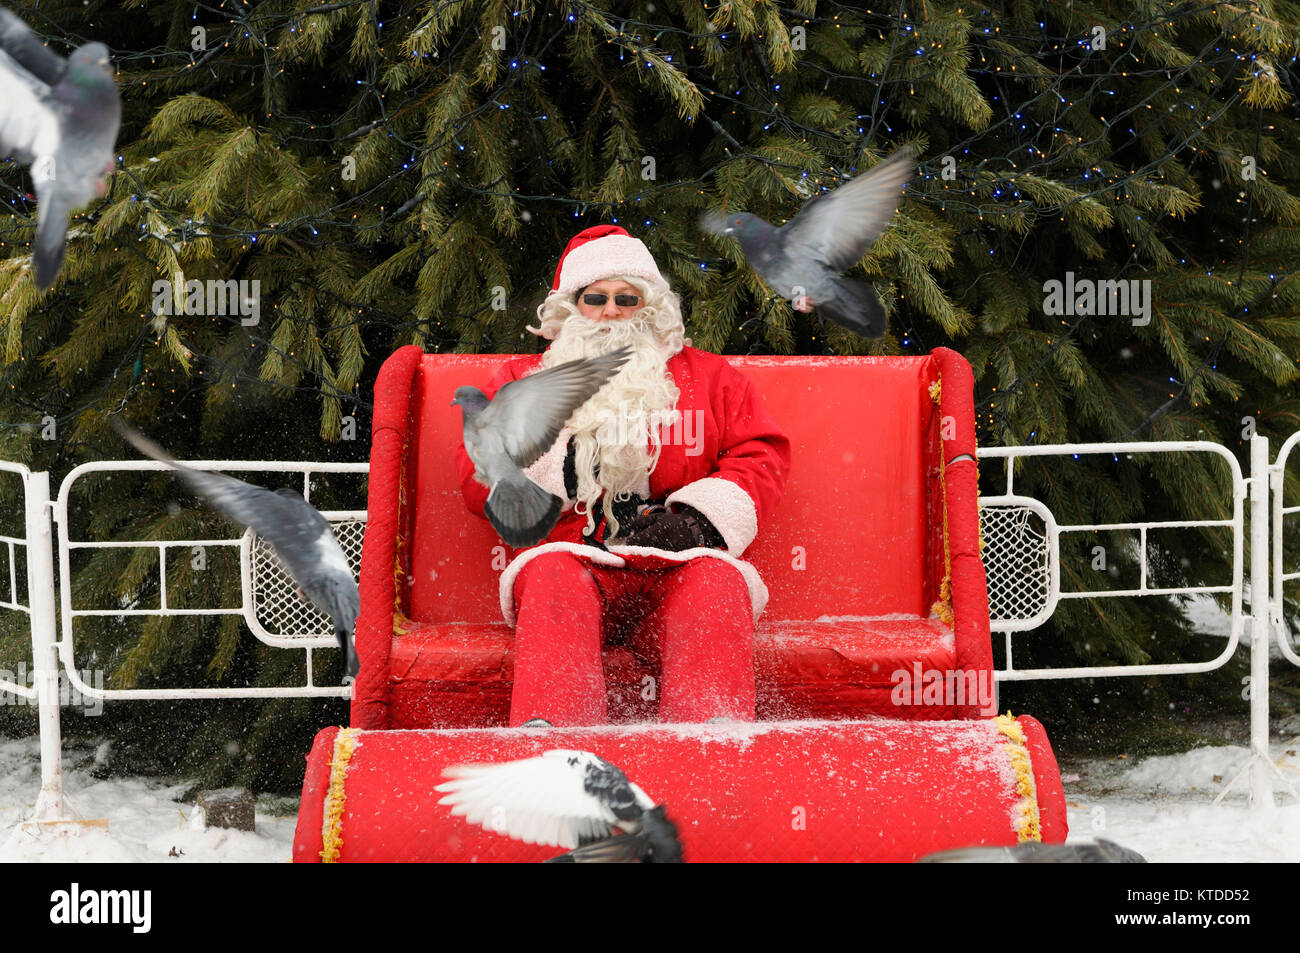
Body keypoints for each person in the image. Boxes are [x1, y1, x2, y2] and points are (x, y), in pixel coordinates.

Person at [454, 224, 791, 726]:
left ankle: (713, 746)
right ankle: (555, 747)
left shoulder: (712, 379)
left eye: (627, 299)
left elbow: (760, 455)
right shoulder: (519, 383)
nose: (611, 311)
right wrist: (565, 467)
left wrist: (696, 524)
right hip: (573, 564)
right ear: (571, 307)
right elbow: (479, 473)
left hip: (672, 567)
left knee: (716, 581)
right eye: (596, 298)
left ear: (650, 307)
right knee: (550, 576)